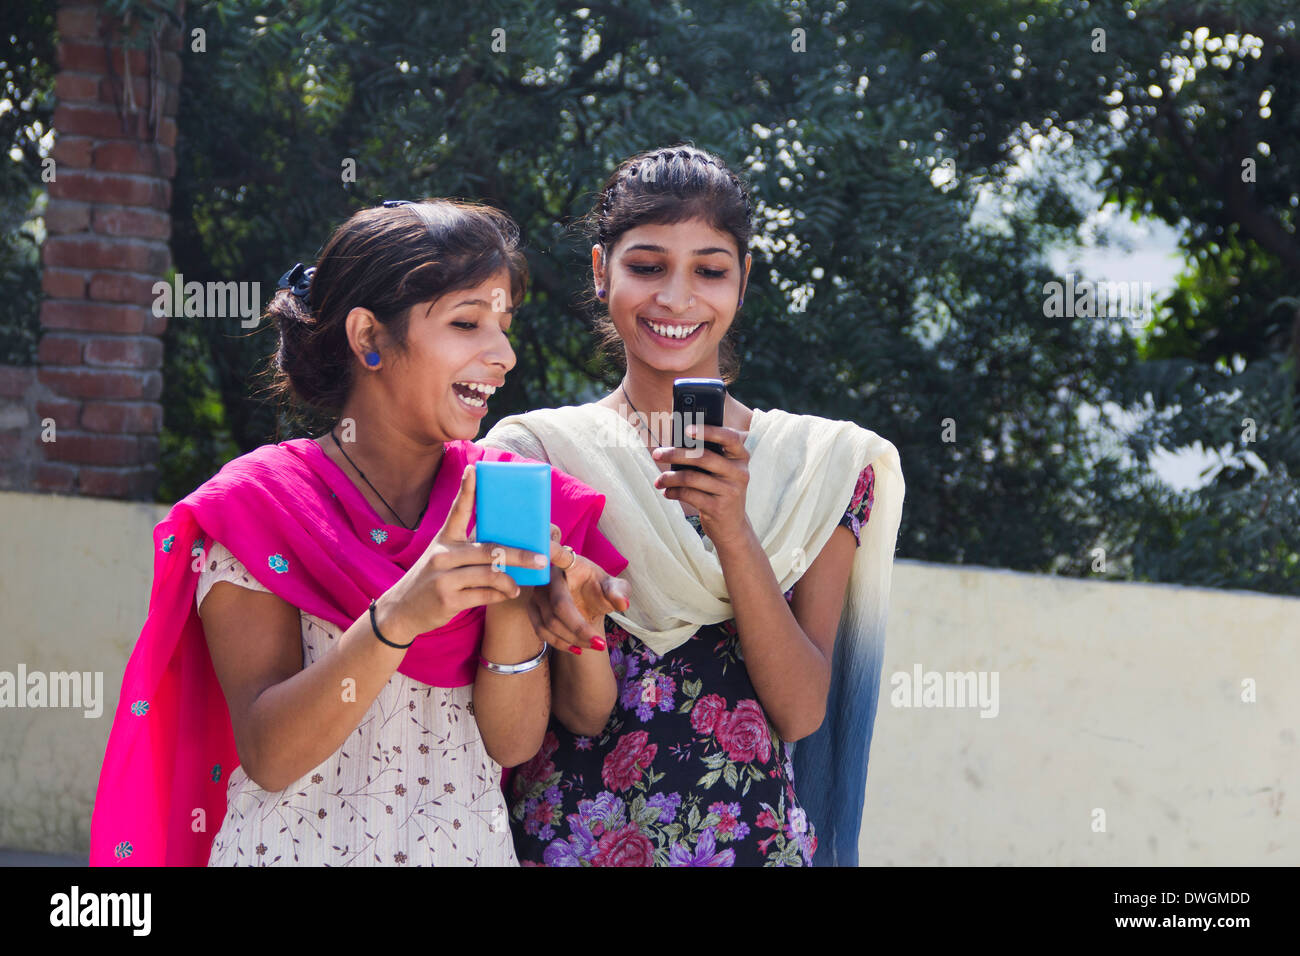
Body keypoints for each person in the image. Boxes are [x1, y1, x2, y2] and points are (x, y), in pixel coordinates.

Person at [89, 199, 628, 866]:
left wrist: (517, 605)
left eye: (505, 326)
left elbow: (513, 746)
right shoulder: (263, 506)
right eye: (467, 323)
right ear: (369, 337)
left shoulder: (500, 496)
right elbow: (271, 754)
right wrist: (401, 614)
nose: (504, 355)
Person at [481, 145, 906, 866]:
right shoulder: (532, 456)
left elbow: (802, 710)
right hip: (567, 838)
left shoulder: (821, 469)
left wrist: (733, 531)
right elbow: (531, 706)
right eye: (646, 266)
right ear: (599, 270)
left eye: (710, 270)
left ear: (743, 281)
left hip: (748, 842)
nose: (677, 299)